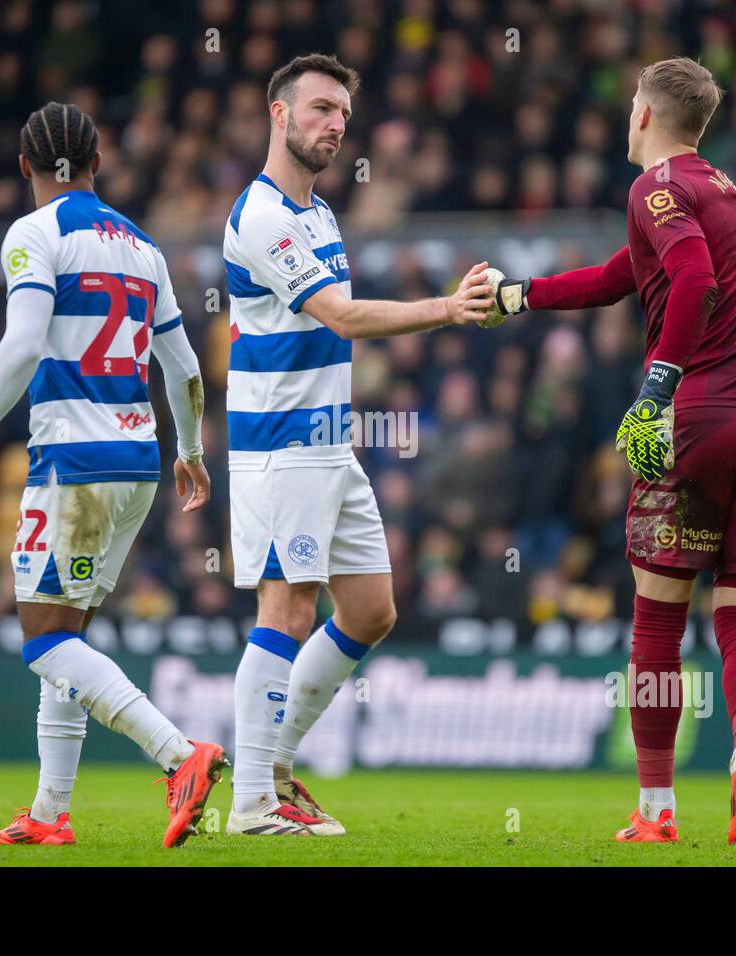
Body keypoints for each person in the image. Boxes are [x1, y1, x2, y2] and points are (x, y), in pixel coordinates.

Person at [486, 58, 736, 846]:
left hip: (699, 420)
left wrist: (657, 388)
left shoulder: (653, 186)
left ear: (644, 116)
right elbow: (618, 277)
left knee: (658, 625)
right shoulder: (721, 190)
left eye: (631, 100)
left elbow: (691, 280)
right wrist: (520, 294)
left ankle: (658, 810)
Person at [0, 102, 224, 849]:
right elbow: (184, 366)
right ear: (98, 164)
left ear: (25, 167)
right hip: (139, 461)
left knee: (42, 642)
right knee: (68, 637)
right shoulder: (143, 246)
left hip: (73, 461)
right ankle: (50, 812)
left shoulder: (34, 234)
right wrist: (190, 449)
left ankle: (178, 755)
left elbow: (25, 343)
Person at [222, 54, 494, 836]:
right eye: (318, 109)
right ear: (279, 115)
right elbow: (341, 316)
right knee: (287, 607)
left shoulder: (320, 214)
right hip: (279, 443)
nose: (334, 124)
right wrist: (446, 308)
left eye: (342, 112)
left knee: (372, 610)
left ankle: (274, 764)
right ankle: (250, 805)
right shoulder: (264, 215)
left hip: (328, 443)